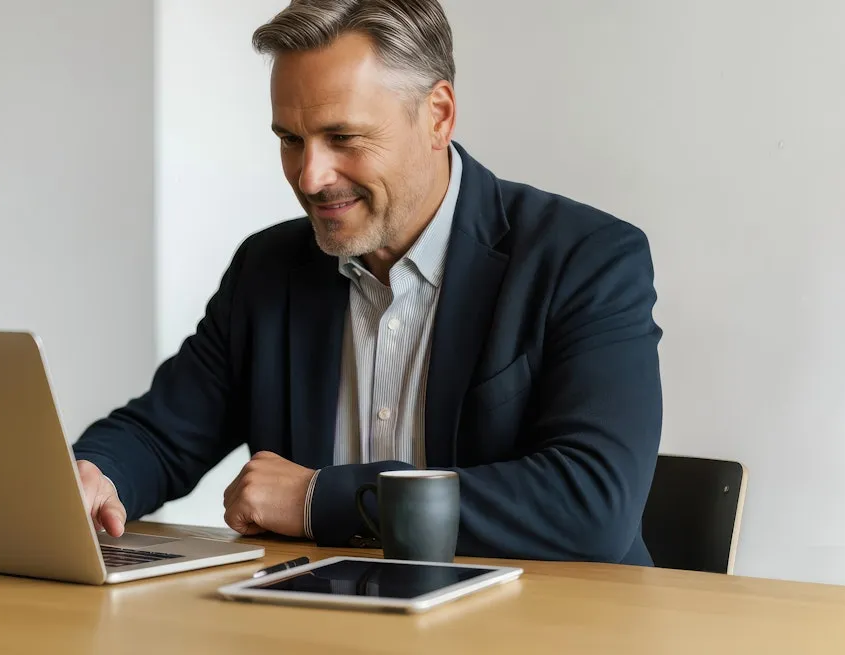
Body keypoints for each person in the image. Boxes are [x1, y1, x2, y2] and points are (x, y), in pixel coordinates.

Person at [71, 0, 663, 565]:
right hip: (323, 625)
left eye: (343, 138)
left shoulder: (587, 258)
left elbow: (593, 502)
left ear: (438, 116)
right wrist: (95, 475)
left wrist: (318, 499)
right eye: (290, 139)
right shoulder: (268, 267)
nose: (311, 175)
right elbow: (161, 433)